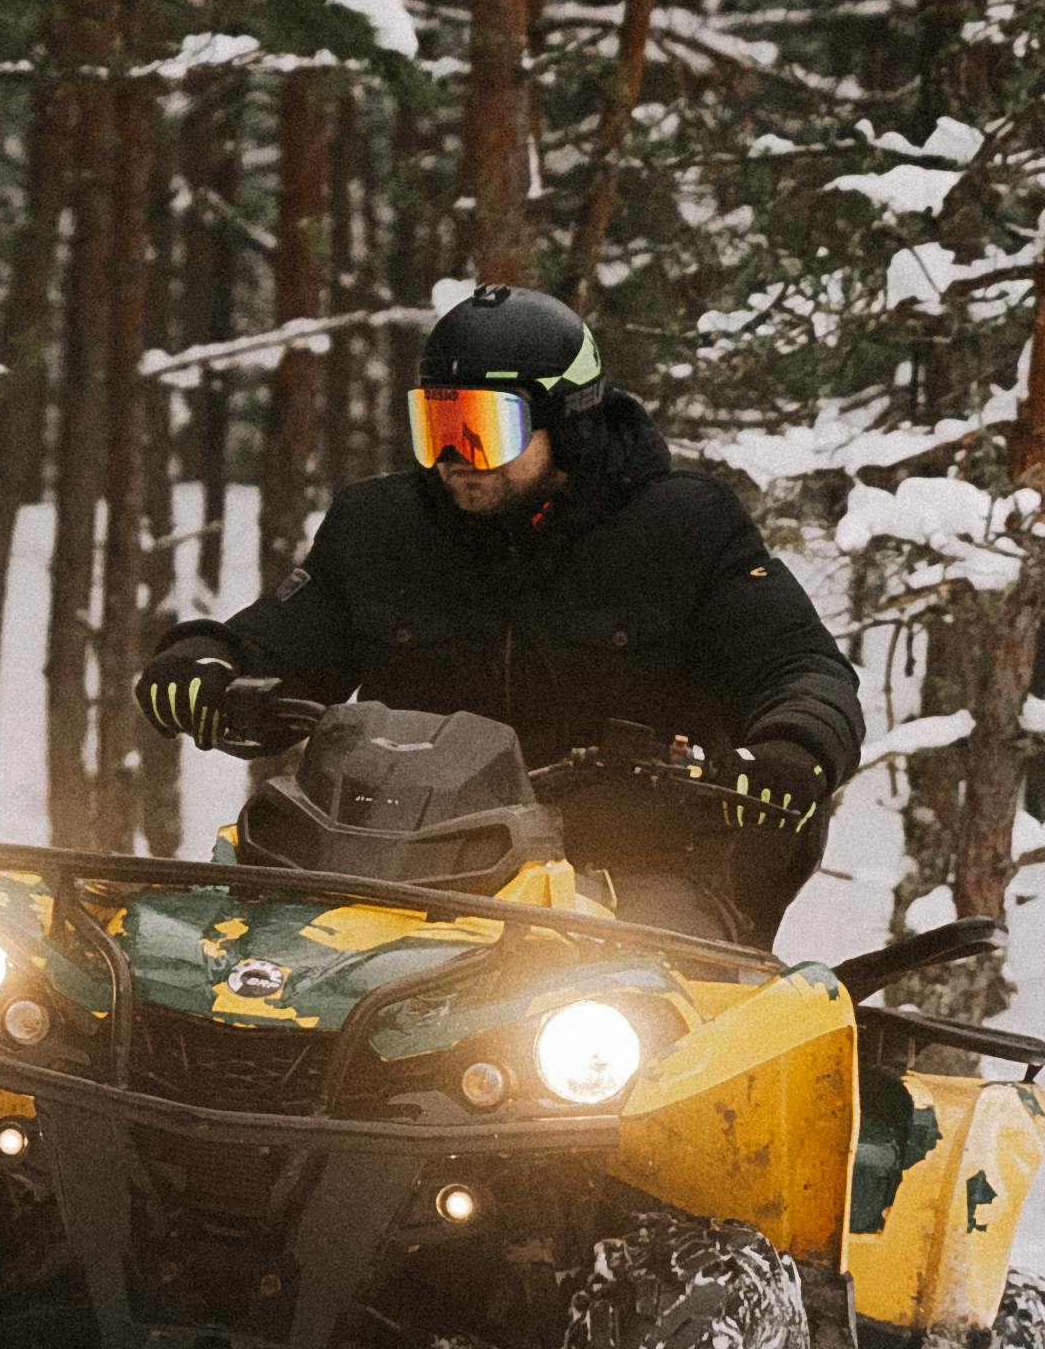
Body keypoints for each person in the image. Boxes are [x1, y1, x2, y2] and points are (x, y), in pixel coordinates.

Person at [137, 284, 863, 938]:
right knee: (231, 966)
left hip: (626, 875)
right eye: (438, 426)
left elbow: (800, 666)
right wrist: (209, 660)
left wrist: (792, 751)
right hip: (397, 869)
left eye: (482, 427)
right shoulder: (380, 527)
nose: (456, 455)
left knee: (646, 1029)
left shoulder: (682, 529)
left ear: (567, 424)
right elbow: (283, 638)